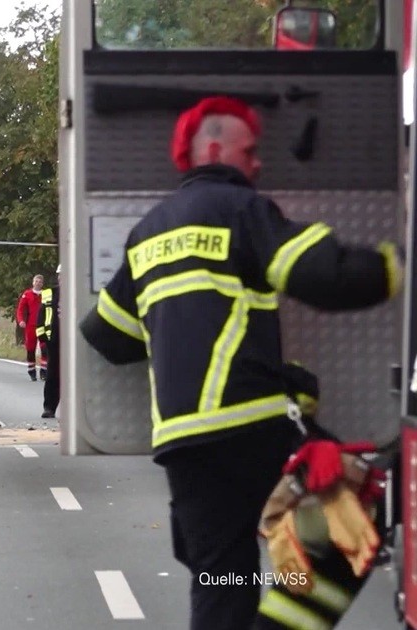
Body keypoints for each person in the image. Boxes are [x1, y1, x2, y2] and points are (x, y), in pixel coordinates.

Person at [78, 96, 402, 630]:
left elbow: (108, 337)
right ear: (212, 149)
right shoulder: (240, 210)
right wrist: (397, 263)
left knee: (223, 579)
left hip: (183, 444)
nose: (258, 162)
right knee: (353, 521)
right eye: (250, 151)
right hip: (253, 429)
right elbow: (328, 278)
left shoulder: (147, 233)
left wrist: (175, 333)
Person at [36, 265, 60, 418]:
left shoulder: (79, 293)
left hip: (76, 342)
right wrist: (43, 340)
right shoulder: (50, 294)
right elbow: (41, 317)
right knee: (52, 376)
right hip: (54, 342)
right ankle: (49, 408)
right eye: (60, 275)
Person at [17, 274, 47, 382]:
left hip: (43, 325)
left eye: (40, 282)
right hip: (31, 326)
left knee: (45, 348)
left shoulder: (46, 294)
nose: (38, 283)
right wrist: (21, 320)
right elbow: (20, 309)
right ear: (33, 282)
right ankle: (32, 371)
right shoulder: (27, 294)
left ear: (42, 284)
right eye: (36, 281)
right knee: (30, 349)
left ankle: (44, 371)